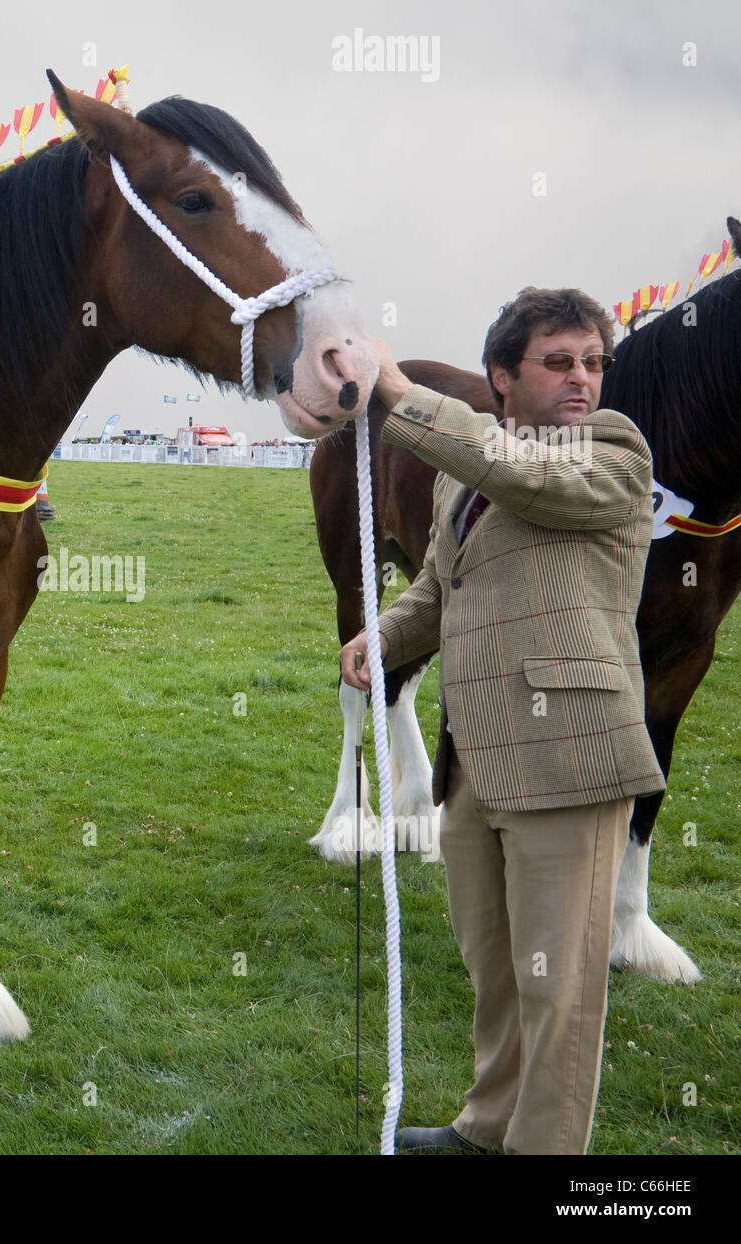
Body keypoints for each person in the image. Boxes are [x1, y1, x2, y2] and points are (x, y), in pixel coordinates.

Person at [341, 288, 665, 1155]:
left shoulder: (615, 453)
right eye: (558, 362)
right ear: (501, 377)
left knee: (561, 987)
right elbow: (441, 586)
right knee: (496, 968)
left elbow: (525, 474)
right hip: (473, 760)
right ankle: (487, 1127)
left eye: (593, 362)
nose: (583, 380)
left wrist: (398, 393)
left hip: (571, 757)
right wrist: (383, 634)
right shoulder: (465, 472)